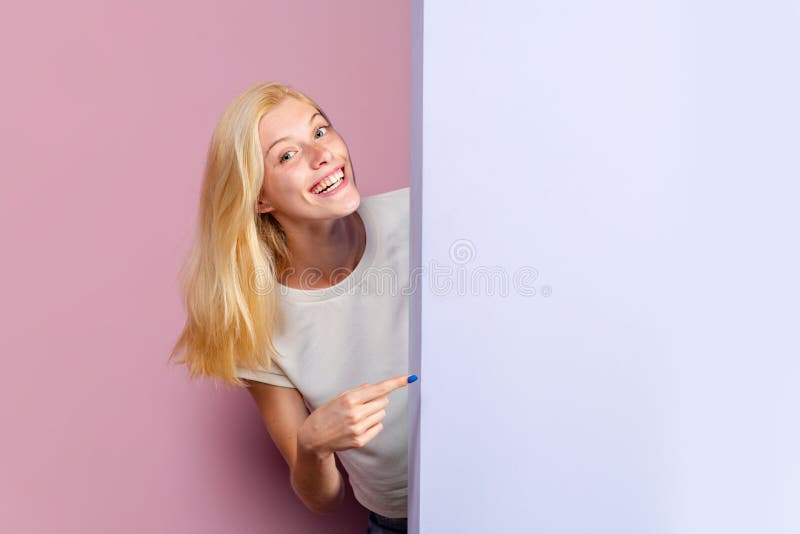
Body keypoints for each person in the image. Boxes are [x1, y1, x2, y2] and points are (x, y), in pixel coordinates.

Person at [169, 82, 413, 533]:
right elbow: (321, 499)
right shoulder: (257, 322)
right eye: (287, 155)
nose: (322, 155)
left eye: (320, 131)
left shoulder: (424, 213)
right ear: (259, 198)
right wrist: (315, 443)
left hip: (510, 475)